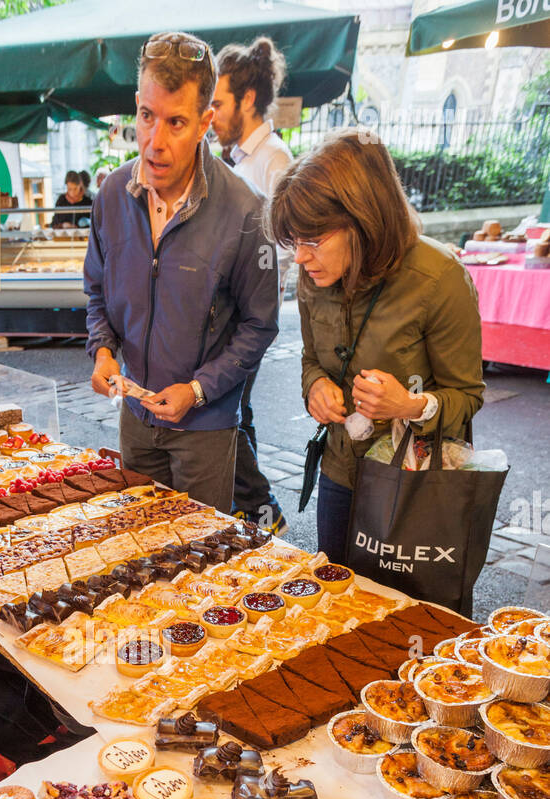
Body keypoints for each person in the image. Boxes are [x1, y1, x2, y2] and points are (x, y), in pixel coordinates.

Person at [85, 31, 279, 514]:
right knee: (138, 549)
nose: (155, 141)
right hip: (135, 417)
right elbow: (96, 291)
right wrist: (104, 350)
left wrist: (198, 390)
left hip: (205, 428)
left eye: (175, 122)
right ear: (135, 106)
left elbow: (261, 324)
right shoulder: (110, 195)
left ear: (205, 123)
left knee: (202, 565)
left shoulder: (247, 211)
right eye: (146, 117)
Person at [269, 128, 484, 564]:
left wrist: (408, 405)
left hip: (411, 482)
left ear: (363, 222)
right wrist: (314, 387)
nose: (301, 258)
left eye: (312, 241)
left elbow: (467, 396)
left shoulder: (439, 279)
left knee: (408, 617)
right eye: (294, 242)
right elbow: (313, 359)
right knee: (335, 600)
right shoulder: (315, 280)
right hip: (339, 471)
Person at [212, 36, 293, 533]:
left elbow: (286, 248)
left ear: (246, 100)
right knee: (237, 411)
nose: (212, 114)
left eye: (217, 103)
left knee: (227, 412)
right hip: (231, 313)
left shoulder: (273, 161)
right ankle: (254, 518)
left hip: (249, 318)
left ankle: (266, 514)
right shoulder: (240, 159)